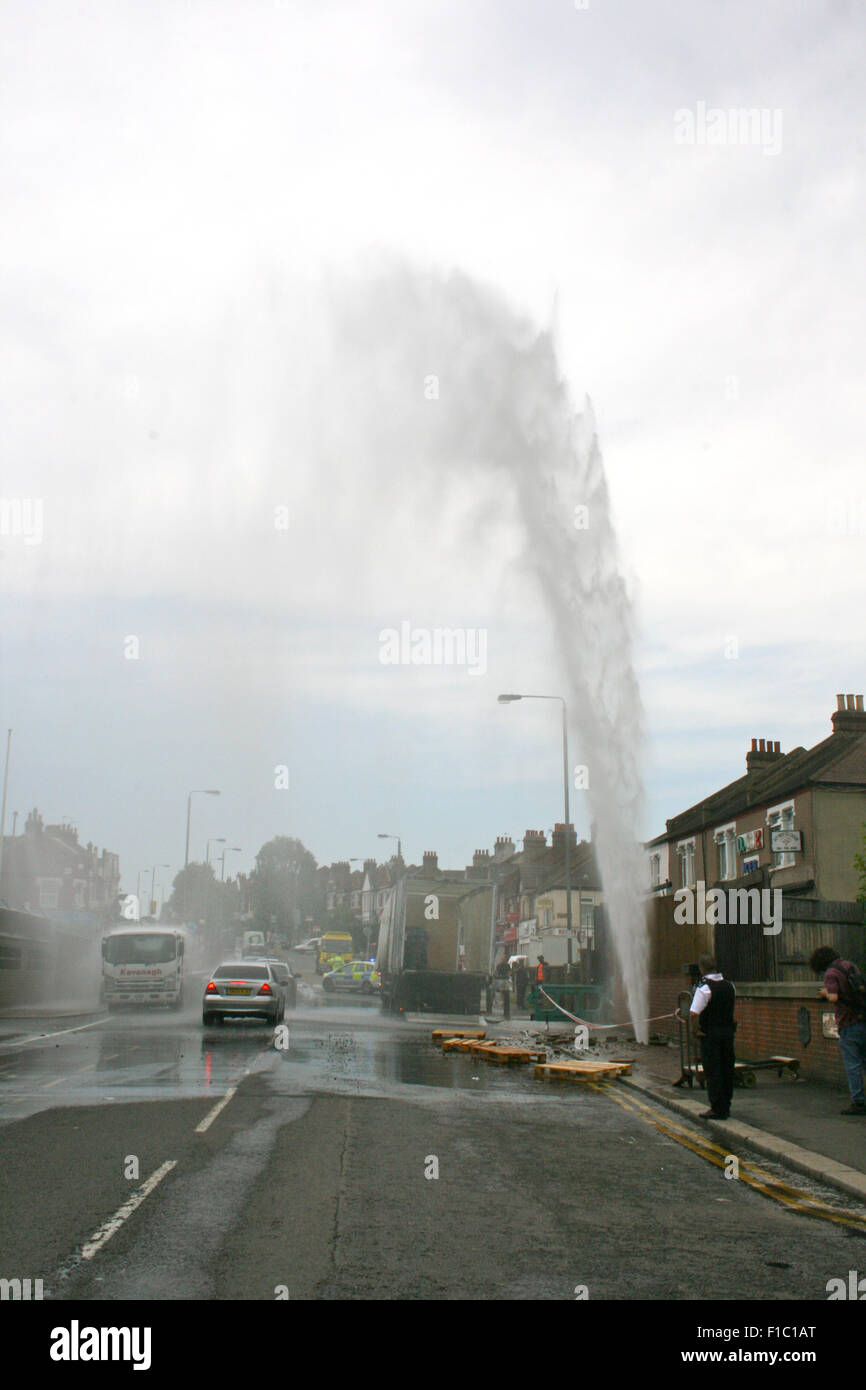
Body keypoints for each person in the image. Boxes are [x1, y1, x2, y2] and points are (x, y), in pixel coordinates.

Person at [810, 946, 866, 1115]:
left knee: (853, 1065)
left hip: (848, 1023)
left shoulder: (831, 973)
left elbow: (834, 997)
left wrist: (825, 993)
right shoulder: (850, 965)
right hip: (863, 1017)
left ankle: (858, 1102)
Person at [687, 954, 736, 1121]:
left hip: (710, 1035)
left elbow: (694, 1014)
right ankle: (726, 1106)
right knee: (727, 1069)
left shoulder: (704, 988)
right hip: (728, 1033)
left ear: (702, 969)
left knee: (713, 1070)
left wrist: (694, 1032)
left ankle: (716, 1108)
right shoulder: (730, 986)